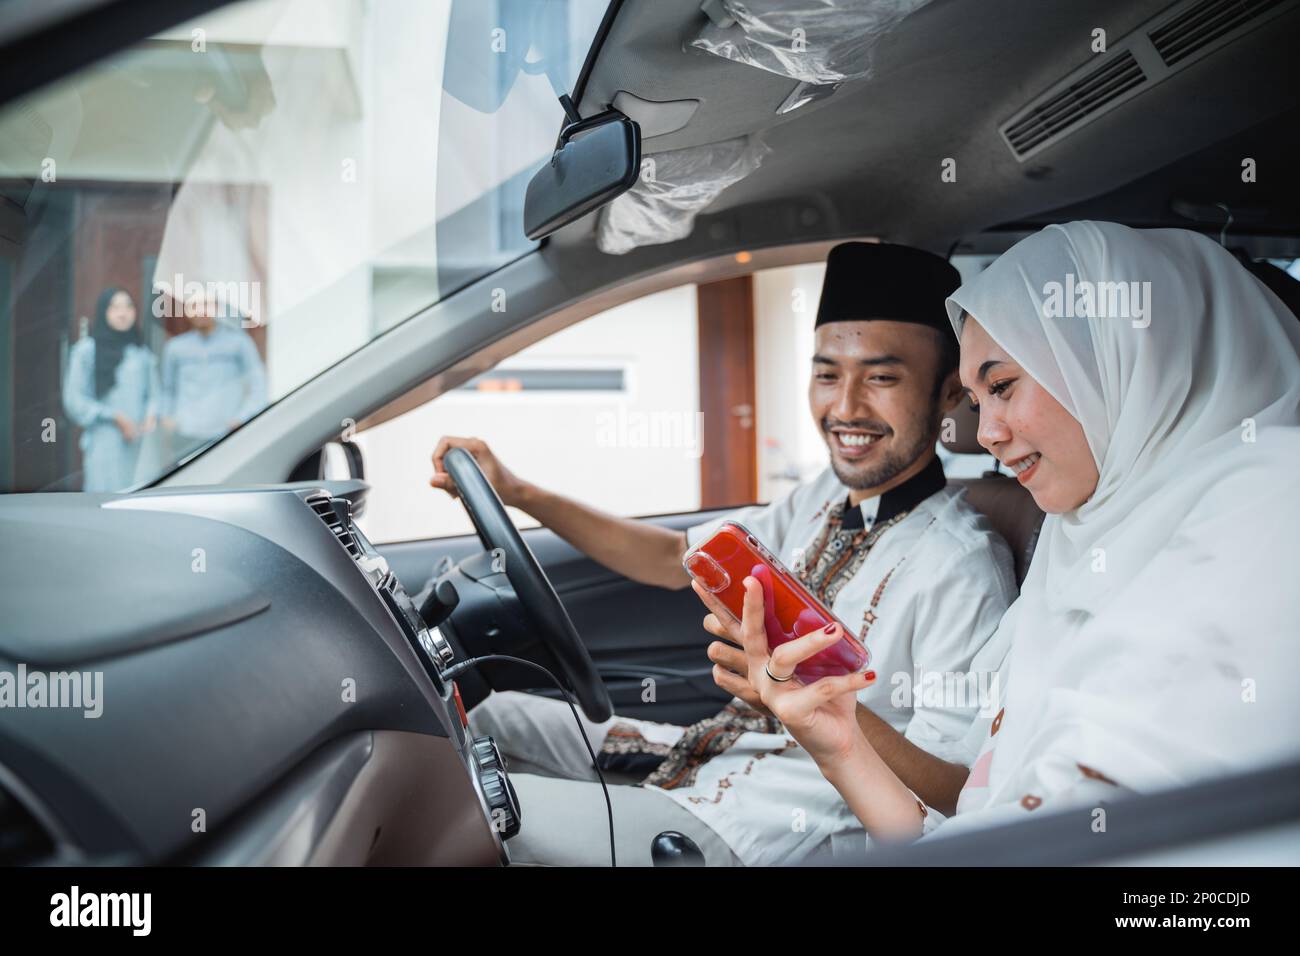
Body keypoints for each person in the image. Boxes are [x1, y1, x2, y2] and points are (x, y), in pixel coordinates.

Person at [433, 243, 1018, 865]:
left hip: (757, 831)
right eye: (827, 375)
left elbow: (956, 790)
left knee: (455, 810)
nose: (845, 407)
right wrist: (519, 492)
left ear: (949, 393)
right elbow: (673, 557)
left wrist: (824, 706)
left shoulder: (962, 566)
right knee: (479, 717)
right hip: (707, 754)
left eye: (881, 378)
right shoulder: (822, 497)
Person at [725, 221, 1300, 846]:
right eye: (978, 402)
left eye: (1002, 387)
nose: (987, 434)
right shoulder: (1074, 540)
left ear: (1116, 358)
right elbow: (972, 819)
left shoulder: (1267, 500)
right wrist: (837, 737)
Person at [63, 287, 159, 491]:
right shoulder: (86, 351)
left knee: (139, 500)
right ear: (103, 312)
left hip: (139, 445)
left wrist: (151, 415)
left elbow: (154, 394)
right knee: (105, 500)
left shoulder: (140, 352)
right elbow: (74, 400)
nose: (122, 313)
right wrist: (115, 416)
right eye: (115, 307)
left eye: (128, 307)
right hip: (104, 444)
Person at [159, 293, 267, 454]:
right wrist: (167, 417)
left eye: (206, 304)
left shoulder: (239, 342)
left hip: (227, 433)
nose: (201, 310)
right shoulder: (175, 348)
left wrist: (242, 418)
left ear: (216, 307)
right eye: (195, 306)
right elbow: (167, 388)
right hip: (186, 434)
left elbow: (259, 385)